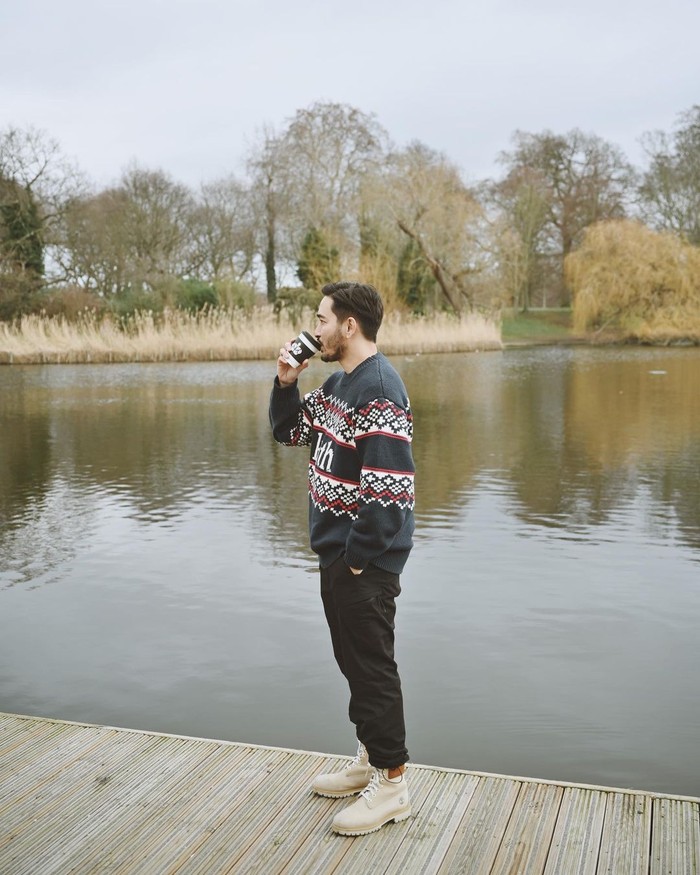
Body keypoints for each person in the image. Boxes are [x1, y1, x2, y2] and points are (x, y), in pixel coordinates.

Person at [269, 281, 415, 836]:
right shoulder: (337, 383)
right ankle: (369, 759)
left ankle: (393, 785)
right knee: (354, 663)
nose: (316, 329)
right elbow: (290, 433)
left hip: (364, 562)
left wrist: (356, 559)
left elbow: (389, 493)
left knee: (374, 670)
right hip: (340, 556)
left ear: (349, 325)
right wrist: (287, 382)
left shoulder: (379, 388)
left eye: (322, 319)